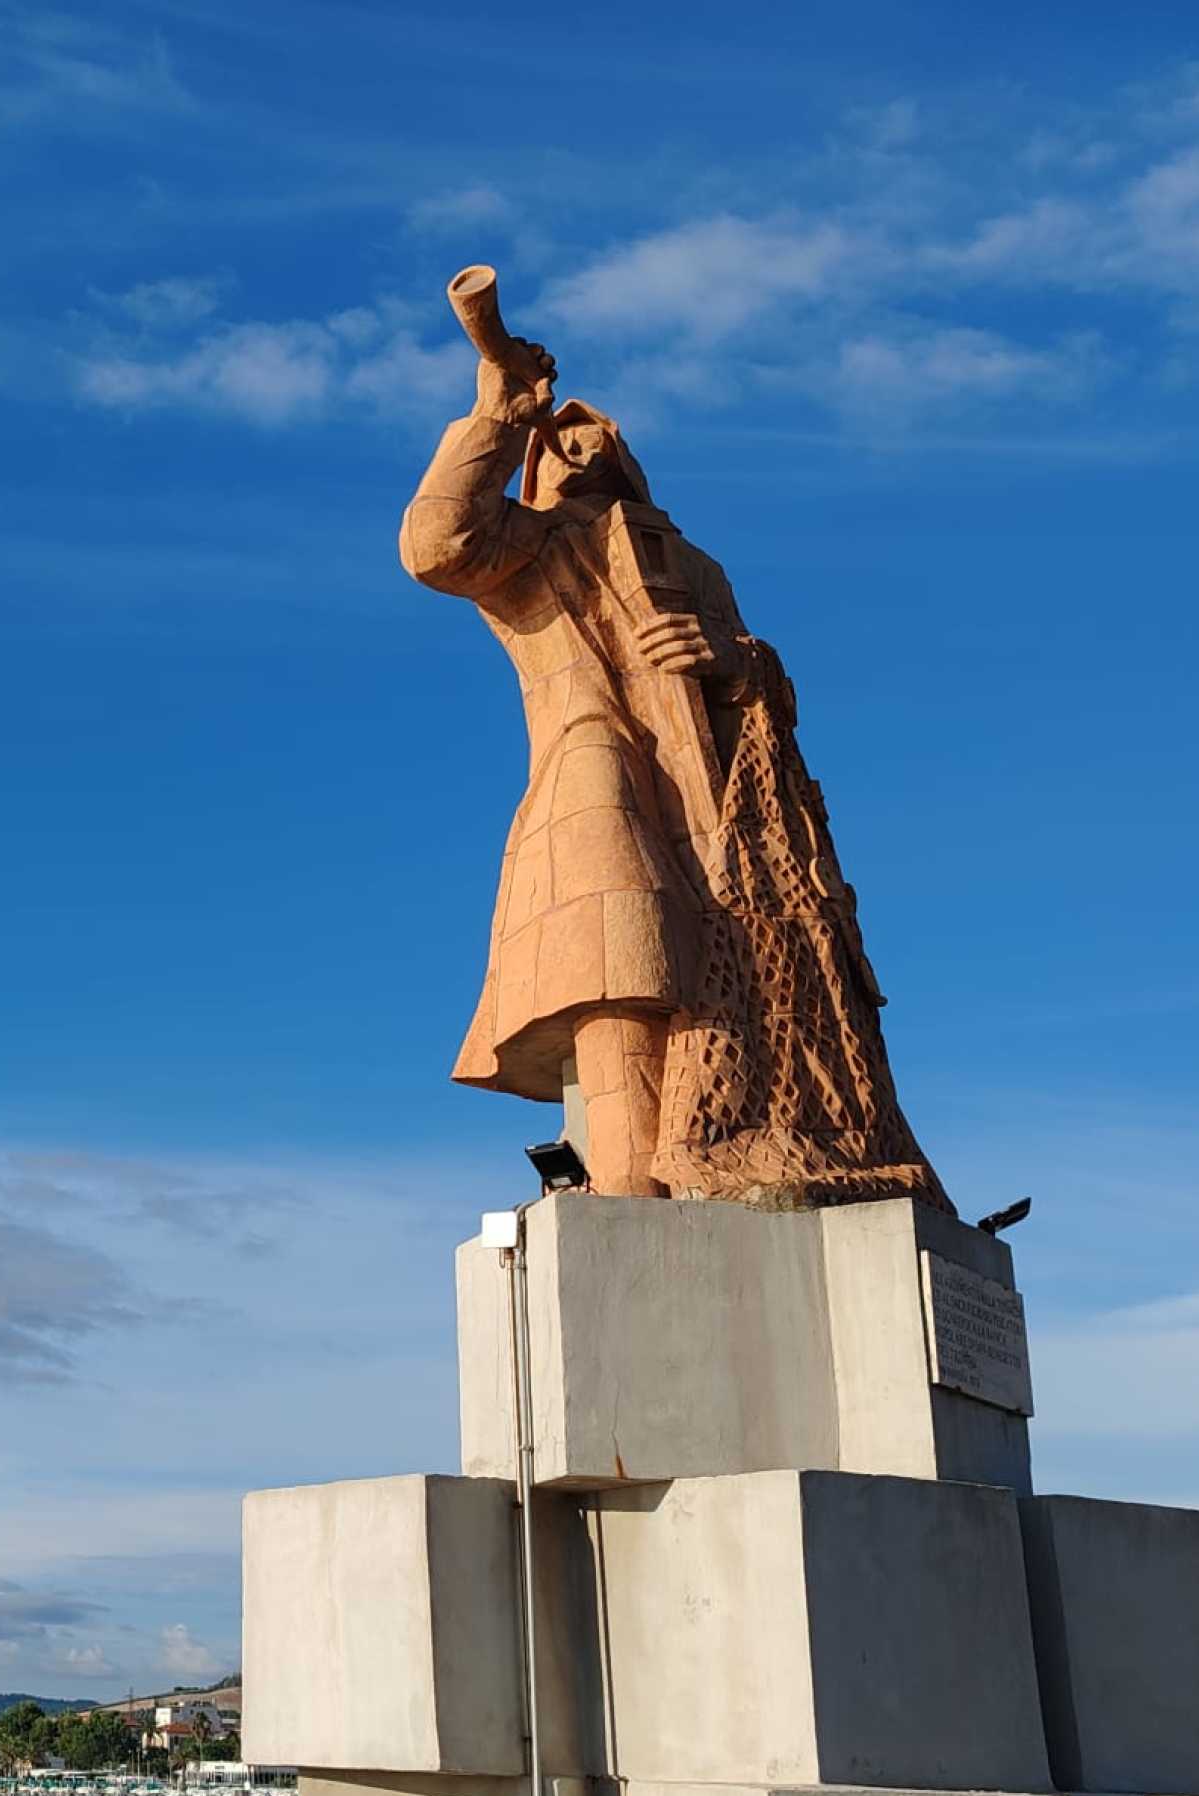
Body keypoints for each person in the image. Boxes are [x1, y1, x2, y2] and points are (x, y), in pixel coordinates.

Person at [403, 345, 943, 1209]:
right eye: (559, 441)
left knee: (715, 977)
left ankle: (706, 1150)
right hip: (593, 773)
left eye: (596, 438)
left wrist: (732, 657)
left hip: (722, 813)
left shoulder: (696, 567)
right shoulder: (527, 549)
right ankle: (627, 1182)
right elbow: (437, 545)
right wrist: (498, 415)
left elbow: (772, 688)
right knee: (616, 961)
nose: (579, 448)